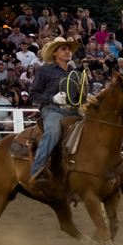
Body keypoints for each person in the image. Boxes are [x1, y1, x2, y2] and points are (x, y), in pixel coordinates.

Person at [28, 37, 87, 178]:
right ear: (54, 53)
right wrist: (52, 99)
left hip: (73, 110)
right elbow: (33, 95)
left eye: (69, 49)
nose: (68, 52)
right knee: (53, 131)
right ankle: (37, 170)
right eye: (63, 49)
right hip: (52, 109)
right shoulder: (44, 71)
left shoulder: (76, 73)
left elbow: (81, 96)